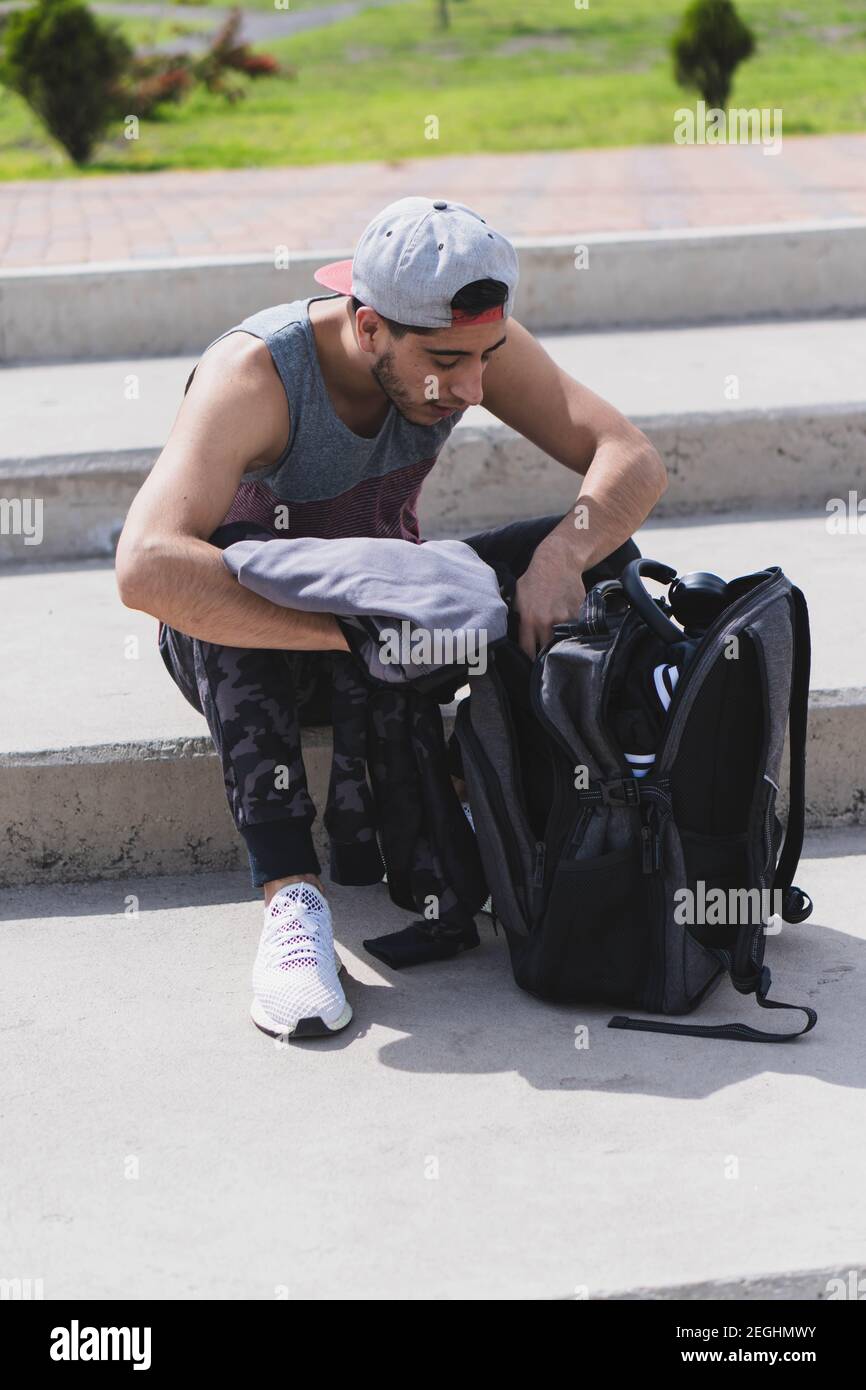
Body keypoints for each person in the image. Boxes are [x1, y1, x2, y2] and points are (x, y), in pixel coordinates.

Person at [115, 196, 667, 1041]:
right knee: (219, 577)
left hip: (398, 628)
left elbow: (630, 457)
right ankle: (293, 904)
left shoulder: (465, 343)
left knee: (596, 558)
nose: (476, 389)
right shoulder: (256, 375)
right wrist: (356, 635)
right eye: (450, 362)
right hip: (279, 649)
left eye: (488, 356)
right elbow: (147, 565)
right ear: (370, 328)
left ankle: (533, 804)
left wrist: (558, 559)